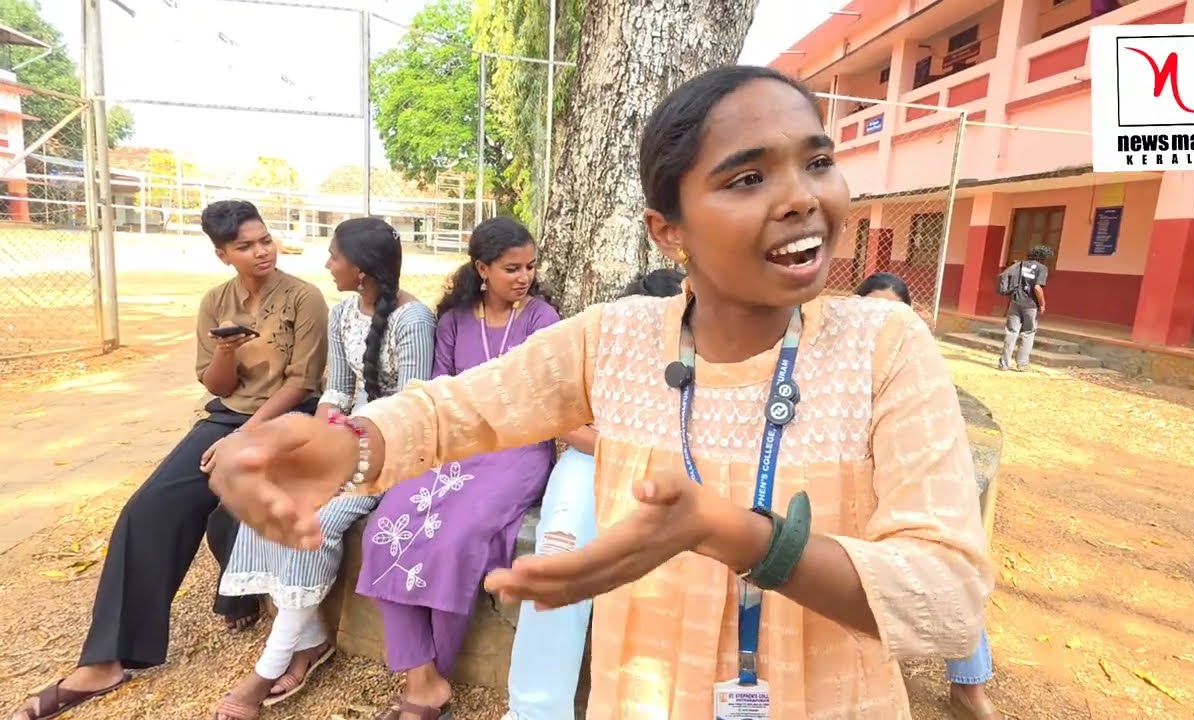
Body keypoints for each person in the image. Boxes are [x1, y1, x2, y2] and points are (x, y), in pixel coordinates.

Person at [209, 65, 994, 719]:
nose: (800, 197)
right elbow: (460, 408)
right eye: (749, 177)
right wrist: (351, 443)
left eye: (817, 161)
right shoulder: (616, 337)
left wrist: (732, 534)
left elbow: (948, 598)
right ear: (668, 231)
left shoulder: (885, 346)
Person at [9, 200, 329, 720]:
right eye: (245, 246)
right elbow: (216, 385)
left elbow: (303, 383)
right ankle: (107, 659)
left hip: (285, 422)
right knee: (148, 508)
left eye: (265, 240)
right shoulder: (215, 302)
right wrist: (225, 352)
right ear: (222, 253)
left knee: (233, 506)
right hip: (227, 418)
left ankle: (239, 596)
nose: (261, 251)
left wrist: (243, 436)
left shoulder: (303, 298)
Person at [209, 217, 437, 720]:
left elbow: (414, 407)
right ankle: (309, 641)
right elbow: (335, 393)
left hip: (391, 450)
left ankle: (267, 669)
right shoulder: (341, 314)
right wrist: (313, 449)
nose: (326, 264)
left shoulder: (413, 320)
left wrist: (349, 455)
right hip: (341, 439)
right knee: (276, 493)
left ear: (361, 268)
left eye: (334, 256)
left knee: (320, 521)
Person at [356, 216, 566, 720]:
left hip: (518, 450)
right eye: (511, 268)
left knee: (457, 538)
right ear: (482, 269)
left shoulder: (542, 319)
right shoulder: (452, 322)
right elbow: (439, 393)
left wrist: (483, 407)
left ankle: (431, 677)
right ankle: (423, 680)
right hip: (455, 447)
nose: (524, 277)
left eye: (530, 267)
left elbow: (541, 397)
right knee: (386, 527)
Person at [501, 267, 686, 720]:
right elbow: (562, 420)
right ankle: (535, 710)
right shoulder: (608, 347)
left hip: (670, 474)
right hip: (592, 460)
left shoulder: (707, 356)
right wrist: (619, 448)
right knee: (557, 552)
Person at [856, 271, 1000, 720]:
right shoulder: (828, 363)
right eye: (872, 309)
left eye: (892, 310)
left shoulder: (915, 366)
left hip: (905, 496)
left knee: (947, 566)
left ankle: (969, 688)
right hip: (853, 496)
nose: (882, 319)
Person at [997, 244, 1053, 372]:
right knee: (1028, 333)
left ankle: (1004, 363)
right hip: (1031, 305)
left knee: (1011, 332)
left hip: (1015, 302)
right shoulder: (1042, 268)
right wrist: (1042, 304)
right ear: (1043, 257)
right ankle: (1022, 364)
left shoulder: (1020, 265)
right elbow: (1037, 288)